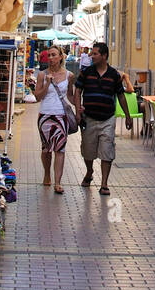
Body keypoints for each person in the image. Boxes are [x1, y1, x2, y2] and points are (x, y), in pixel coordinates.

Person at [74, 41, 132, 195]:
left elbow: (120, 95)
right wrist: (78, 111)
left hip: (107, 119)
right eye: (92, 53)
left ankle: (104, 184)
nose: (92, 56)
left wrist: (127, 116)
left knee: (107, 150)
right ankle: (89, 171)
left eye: (95, 54)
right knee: (88, 151)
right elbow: (77, 90)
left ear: (104, 55)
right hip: (89, 118)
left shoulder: (114, 75)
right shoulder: (86, 72)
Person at [34, 45, 76, 195]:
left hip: (61, 115)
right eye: (48, 55)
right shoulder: (41, 75)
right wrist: (46, 83)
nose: (50, 58)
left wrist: (78, 108)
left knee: (60, 148)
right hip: (45, 115)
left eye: (53, 55)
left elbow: (70, 95)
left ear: (60, 57)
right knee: (46, 149)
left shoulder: (69, 75)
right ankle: (47, 173)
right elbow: (37, 96)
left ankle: (58, 182)